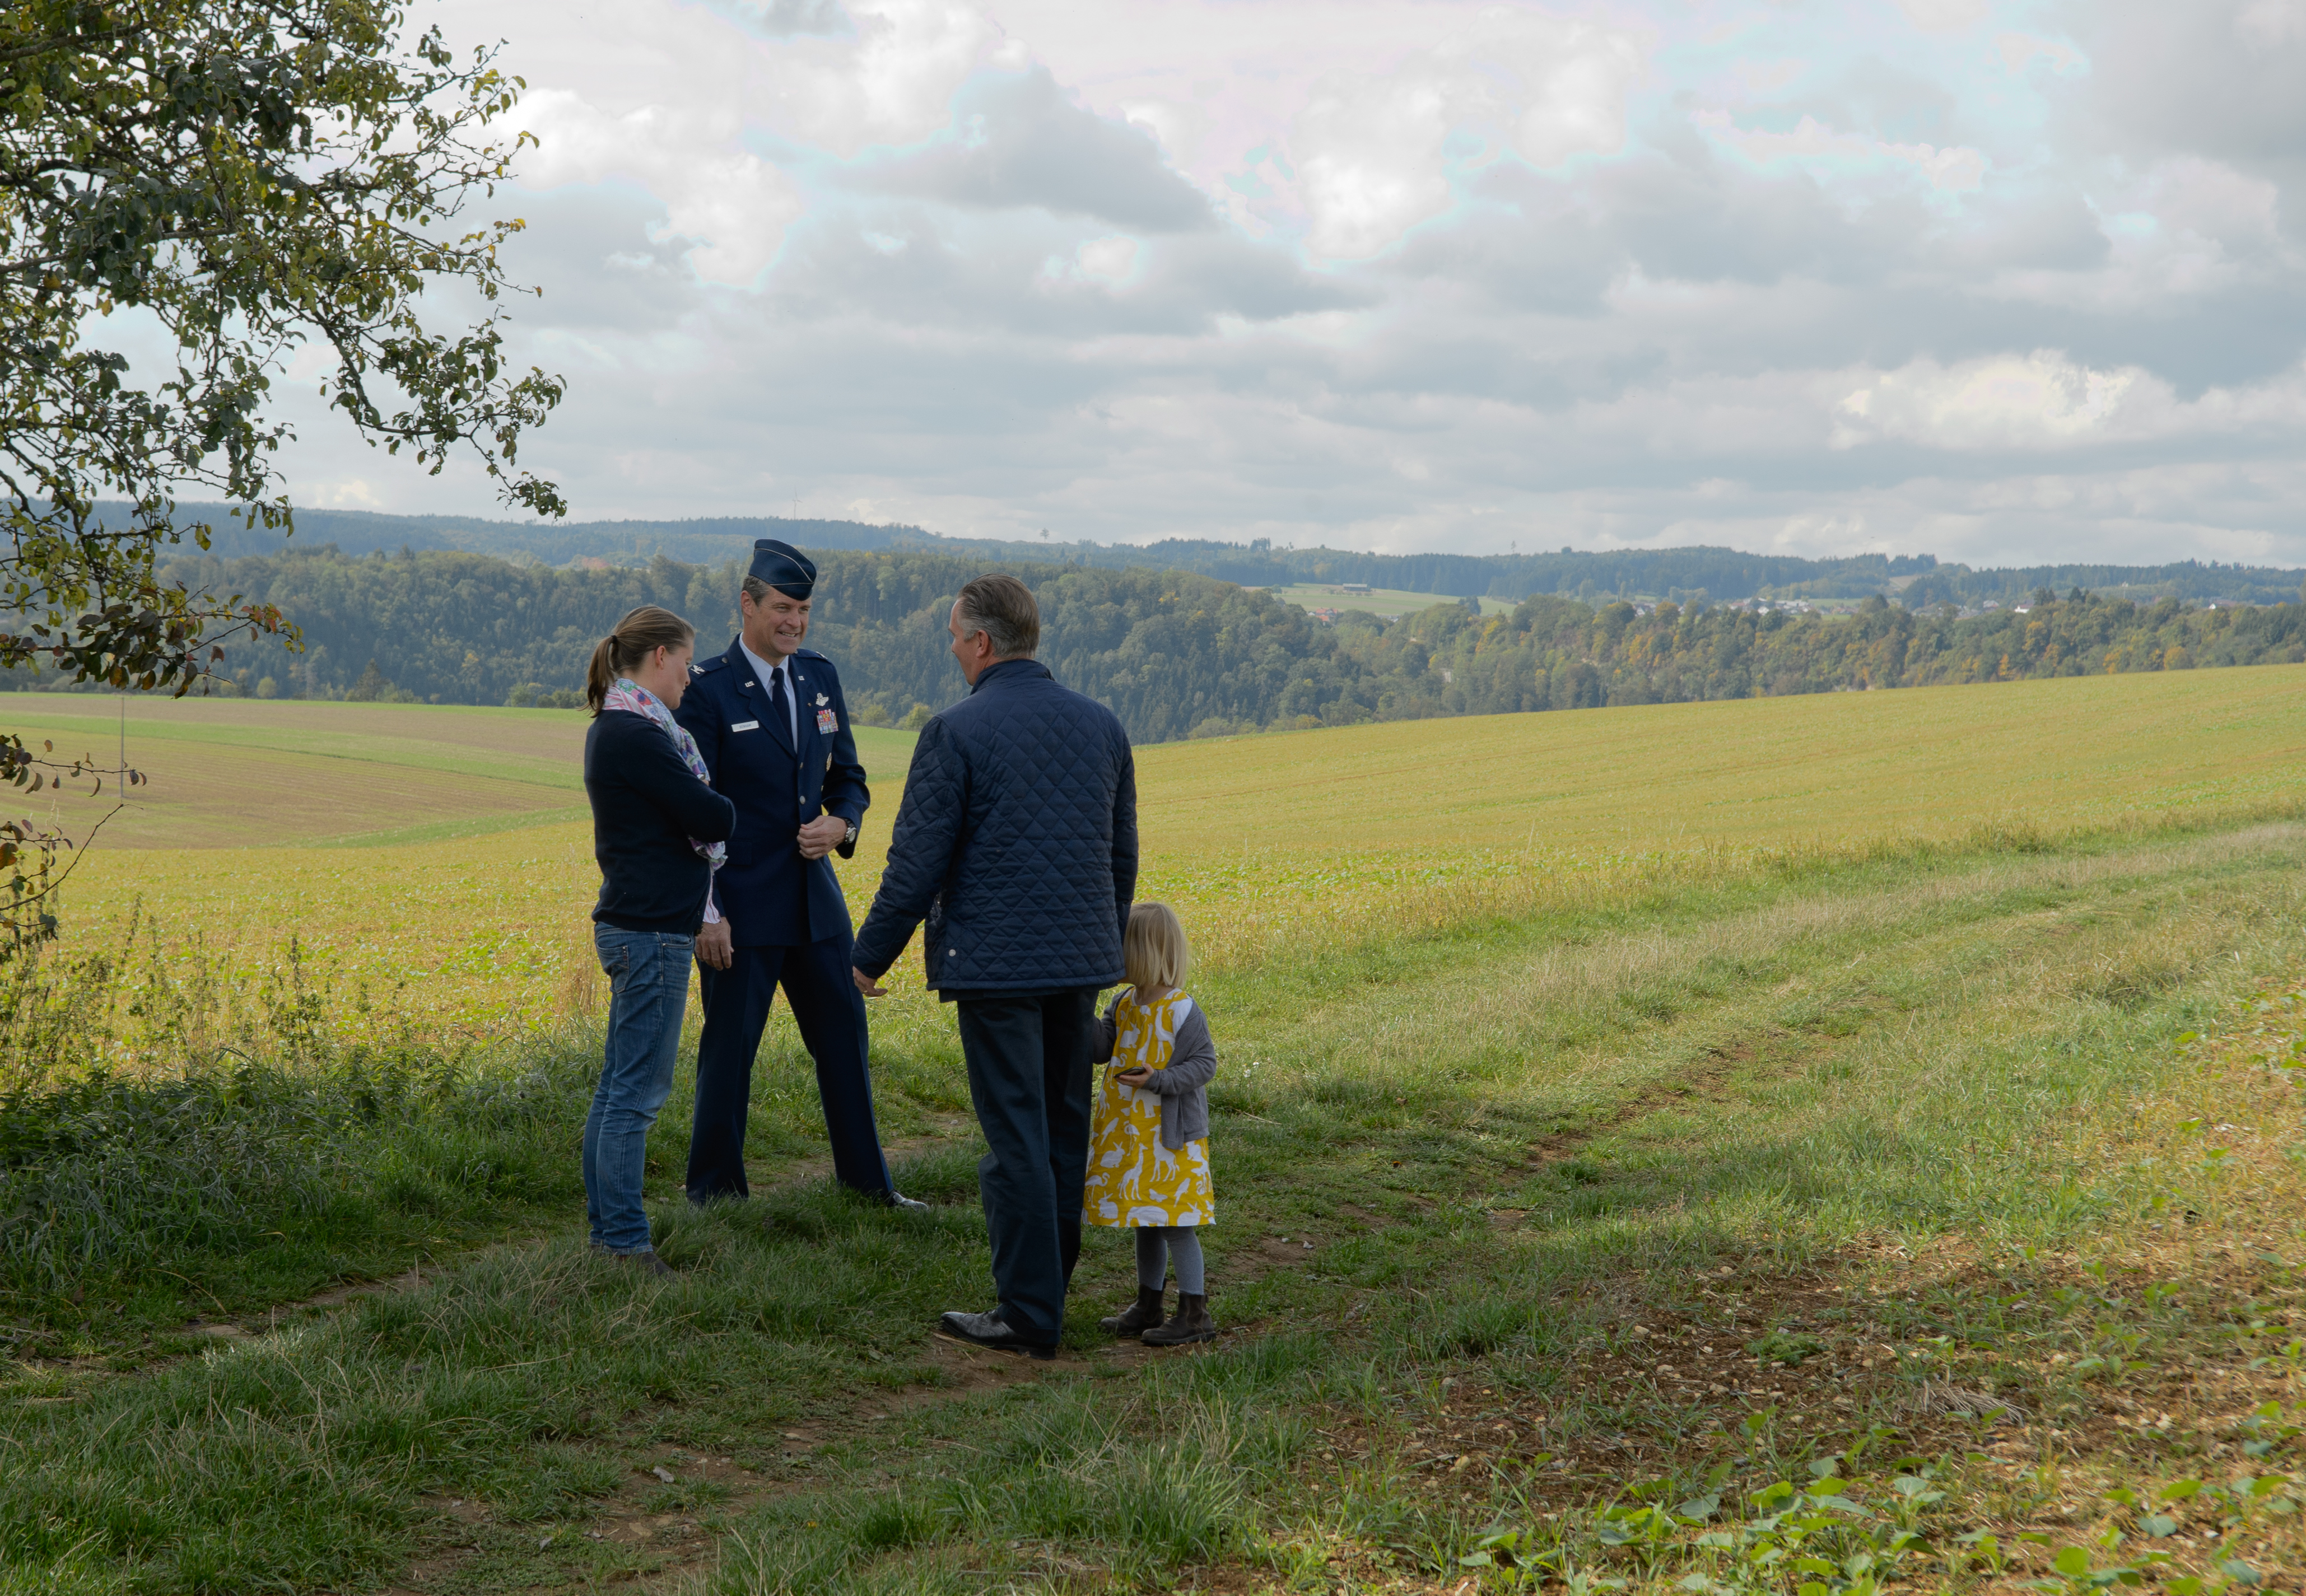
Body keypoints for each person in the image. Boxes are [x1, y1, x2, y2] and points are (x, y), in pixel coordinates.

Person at [852, 573, 1138, 1359]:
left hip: (996, 966)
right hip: (1078, 962)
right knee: (1062, 1130)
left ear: (981, 641)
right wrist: (1099, 943)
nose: (950, 646)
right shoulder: (1102, 725)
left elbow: (917, 861)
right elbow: (1121, 856)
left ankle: (1026, 1313)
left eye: (954, 634)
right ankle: (1051, 1289)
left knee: (1014, 1138)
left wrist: (868, 955)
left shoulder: (955, 730)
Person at [673, 539, 920, 1210]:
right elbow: (687, 814)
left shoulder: (818, 677)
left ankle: (870, 1187)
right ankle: (716, 1197)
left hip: (815, 904)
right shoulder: (706, 690)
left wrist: (843, 823)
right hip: (741, 908)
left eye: (804, 609)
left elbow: (851, 780)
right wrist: (707, 912)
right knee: (729, 1057)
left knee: (845, 1042)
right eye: (783, 607)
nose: (796, 622)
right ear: (747, 605)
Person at [580, 604, 735, 1276]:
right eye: (687, 665)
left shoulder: (624, 729)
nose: (691, 682)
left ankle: (609, 1234)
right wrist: (716, 803)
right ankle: (623, 1244)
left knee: (619, 1088)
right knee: (637, 1095)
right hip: (651, 934)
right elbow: (713, 812)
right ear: (663, 657)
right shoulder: (637, 735)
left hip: (639, 927)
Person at [1085, 903, 1220, 1346]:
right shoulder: (1123, 1001)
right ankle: (1148, 1304)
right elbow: (1102, 1048)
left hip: (1167, 1139)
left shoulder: (1181, 1009)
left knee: (1175, 1222)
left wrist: (1159, 1080)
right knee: (1145, 1218)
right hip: (1128, 1135)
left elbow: (1204, 1065)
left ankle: (1195, 1314)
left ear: (1142, 952)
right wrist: (1078, 1007)